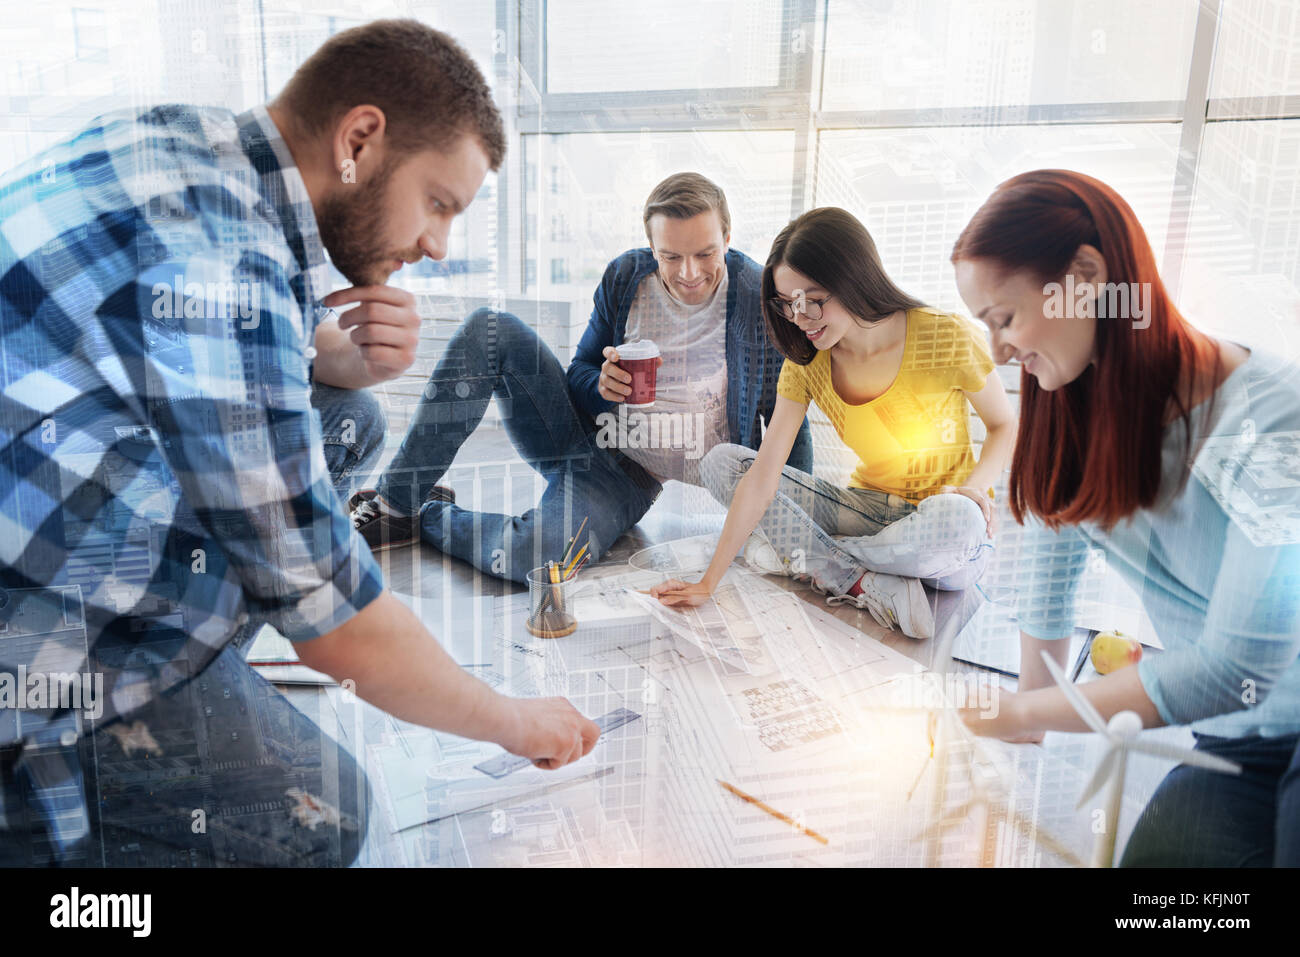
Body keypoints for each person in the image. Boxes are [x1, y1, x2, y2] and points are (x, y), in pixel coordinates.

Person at [0, 19, 598, 867]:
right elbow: (336, 625)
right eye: (438, 202)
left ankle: (215, 652)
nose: (438, 244)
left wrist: (342, 358)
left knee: (350, 419)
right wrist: (512, 718)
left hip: (44, 481)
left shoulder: (193, 146)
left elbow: (180, 326)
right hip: (31, 642)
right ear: (359, 138)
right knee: (326, 819)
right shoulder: (223, 269)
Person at [950, 168, 1300, 866]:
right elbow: (1047, 589)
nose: (998, 353)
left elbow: (1237, 667)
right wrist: (1025, 707)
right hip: (1237, 737)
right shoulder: (1067, 410)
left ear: (1085, 276)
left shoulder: (1272, 417)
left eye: (1006, 318)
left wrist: (1020, 713)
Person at [351, 172, 812, 582]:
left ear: (727, 237)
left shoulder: (756, 298)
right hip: (581, 432)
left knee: (539, 559)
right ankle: (396, 504)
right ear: (651, 246)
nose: (689, 274)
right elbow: (580, 374)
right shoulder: (627, 277)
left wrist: (801, 524)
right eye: (670, 256)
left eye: (705, 253)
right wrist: (602, 386)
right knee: (488, 331)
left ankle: (429, 512)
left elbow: (792, 413)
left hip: (626, 472)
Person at [651, 207, 1015, 640]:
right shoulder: (808, 361)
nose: (800, 319)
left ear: (853, 278)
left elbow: (1003, 425)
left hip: (942, 528)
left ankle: (816, 561)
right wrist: (708, 583)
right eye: (787, 305)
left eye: (812, 301)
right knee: (722, 464)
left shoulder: (945, 335)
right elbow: (763, 477)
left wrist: (975, 489)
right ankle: (864, 580)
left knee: (958, 522)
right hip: (866, 511)